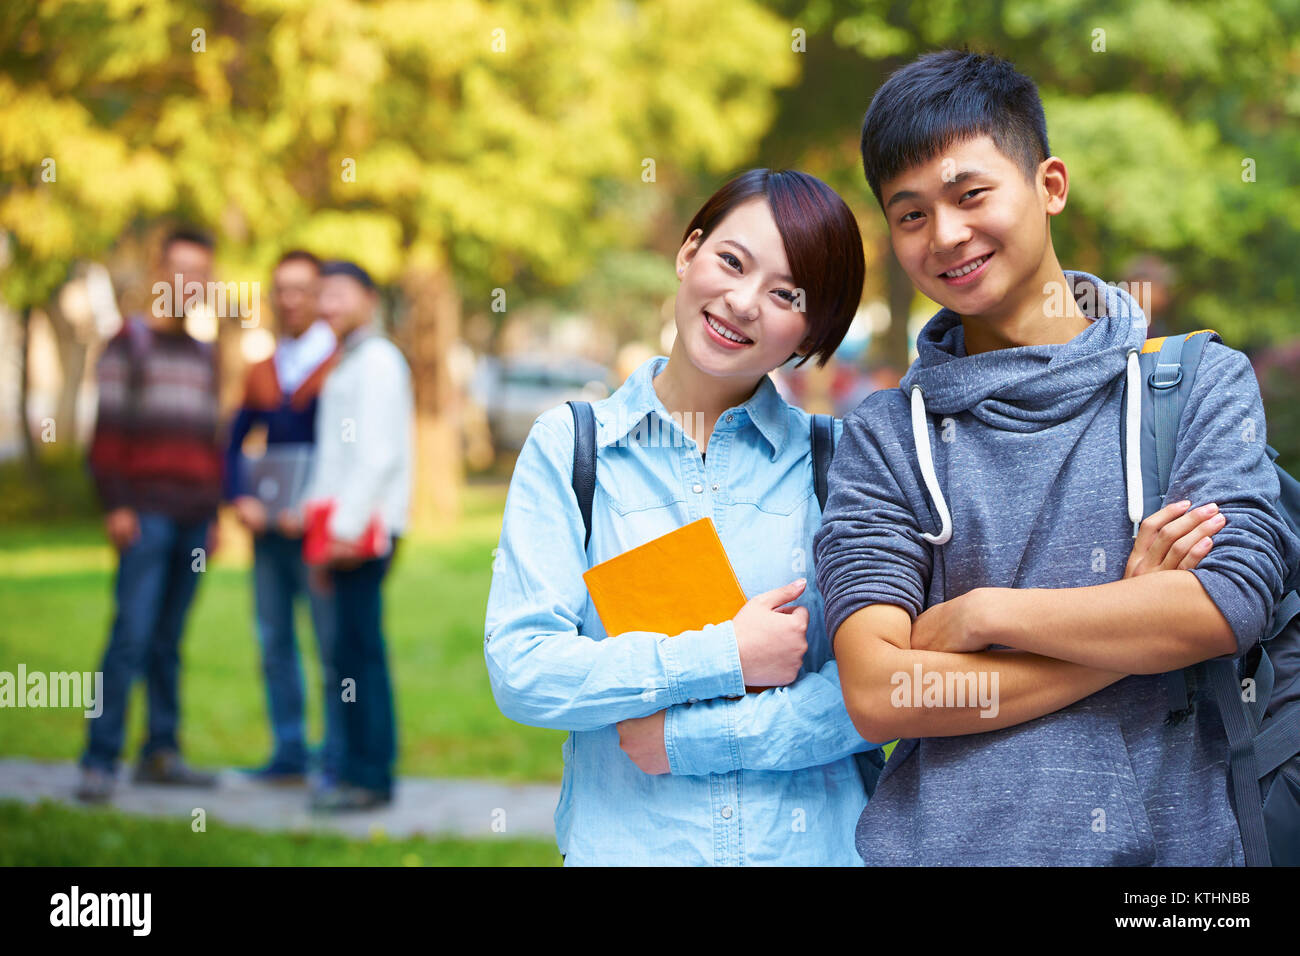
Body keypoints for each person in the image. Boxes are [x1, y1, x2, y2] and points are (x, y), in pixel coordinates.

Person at [817, 50, 1300, 865]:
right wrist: (1128, 618)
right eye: (910, 215)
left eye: (972, 194)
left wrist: (981, 615)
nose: (946, 234)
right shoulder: (886, 435)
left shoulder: (1193, 381)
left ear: (1049, 186)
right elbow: (881, 692)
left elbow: (1225, 606)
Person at [485, 168, 887, 866]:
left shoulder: (843, 461)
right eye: (732, 262)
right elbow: (524, 670)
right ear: (688, 252)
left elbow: (883, 687)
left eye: (786, 294)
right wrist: (725, 654)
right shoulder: (573, 450)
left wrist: (689, 740)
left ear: (811, 330)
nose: (742, 302)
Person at [77, 227, 225, 802]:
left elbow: (208, 443)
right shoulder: (127, 343)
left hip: (193, 517)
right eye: (182, 271)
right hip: (144, 513)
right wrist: (116, 505)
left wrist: (212, 517)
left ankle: (161, 752)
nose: (192, 284)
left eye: (202, 274)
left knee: (169, 639)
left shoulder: (205, 355)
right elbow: (107, 433)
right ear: (161, 274)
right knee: (130, 636)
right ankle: (99, 759)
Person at [291, 260, 412, 812]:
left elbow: (378, 454)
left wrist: (339, 532)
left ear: (368, 295)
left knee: (360, 655)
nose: (326, 306)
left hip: (361, 533)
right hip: (340, 531)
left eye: (337, 294)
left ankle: (369, 778)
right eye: (321, 296)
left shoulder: (379, 360)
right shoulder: (351, 359)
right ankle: (359, 772)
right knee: (349, 652)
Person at [225, 249, 343, 786]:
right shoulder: (263, 371)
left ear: (320, 295)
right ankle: (289, 749)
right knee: (274, 640)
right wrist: (239, 497)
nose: (290, 299)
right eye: (282, 289)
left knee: (329, 642)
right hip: (268, 531)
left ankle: (337, 752)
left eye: (302, 288)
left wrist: (318, 505)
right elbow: (231, 444)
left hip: (317, 531)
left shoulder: (339, 365)